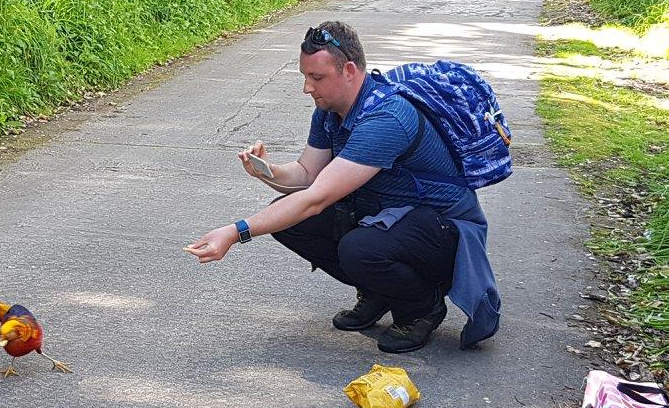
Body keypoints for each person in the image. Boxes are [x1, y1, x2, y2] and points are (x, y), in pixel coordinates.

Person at [185, 21, 500, 353]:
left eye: (317, 77)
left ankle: (422, 308)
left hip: (445, 233)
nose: (307, 87)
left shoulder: (387, 118)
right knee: (288, 221)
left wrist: (235, 232)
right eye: (305, 76)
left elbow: (316, 198)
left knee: (358, 248)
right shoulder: (330, 111)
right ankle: (379, 292)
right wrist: (267, 171)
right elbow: (307, 174)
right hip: (390, 219)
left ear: (349, 70)